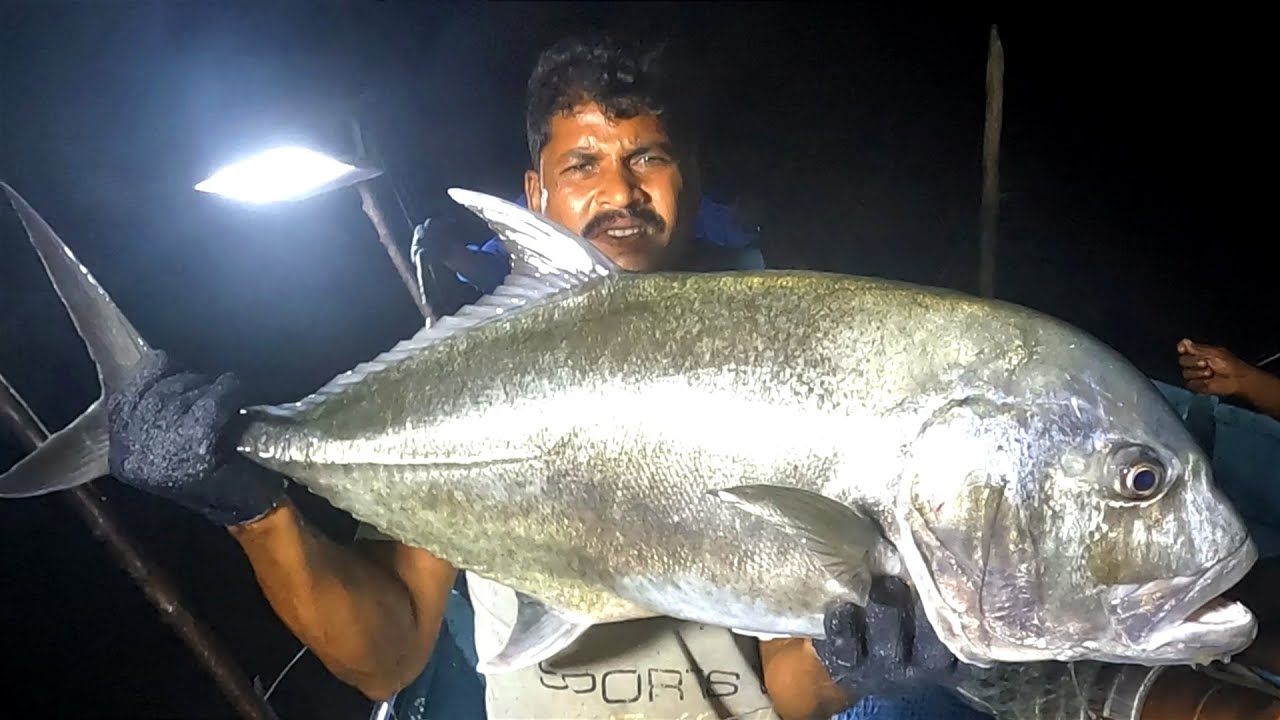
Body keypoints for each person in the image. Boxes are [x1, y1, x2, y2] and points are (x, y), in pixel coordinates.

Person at [95, 31, 1280, 720]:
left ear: (685, 174)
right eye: (584, 163)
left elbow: (781, 691)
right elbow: (392, 650)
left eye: (648, 154)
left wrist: (865, 645)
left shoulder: (797, 338)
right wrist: (249, 503)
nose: (620, 190)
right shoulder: (484, 377)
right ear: (536, 196)